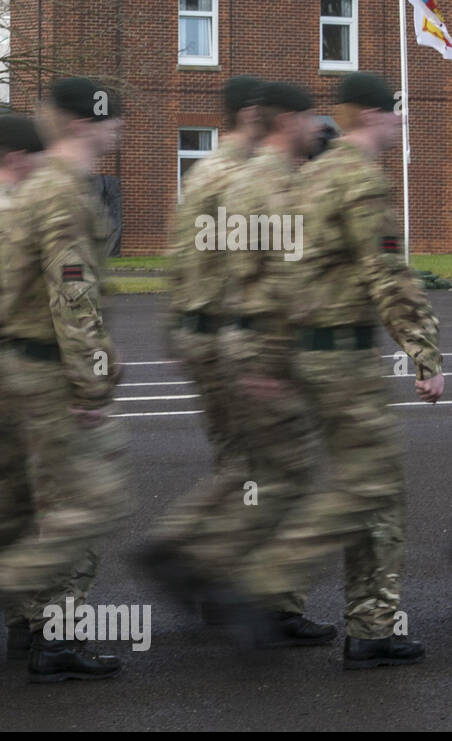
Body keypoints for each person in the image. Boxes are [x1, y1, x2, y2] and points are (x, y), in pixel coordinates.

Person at [231, 72, 441, 667]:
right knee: (374, 490)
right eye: (397, 113)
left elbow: (273, 272)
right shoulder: (358, 179)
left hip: (296, 352)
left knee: (327, 484)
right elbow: (387, 274)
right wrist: (424, 353)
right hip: (339, 358)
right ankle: (364, 622)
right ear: (375, 116)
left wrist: (267, 355)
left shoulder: (310, 175)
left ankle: (305, 605)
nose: (402, 122)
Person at [141, 78, 333, 645]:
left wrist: (182, 330)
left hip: (210, 334)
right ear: (255, 114)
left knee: (240, 468)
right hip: (241, 337)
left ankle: (220, 586)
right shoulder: (248, 177)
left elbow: (181, 263)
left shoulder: (205, 172)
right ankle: (259, 596)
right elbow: (256, 270)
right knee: (272, 470)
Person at [0, 78, 128, 683]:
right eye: (112, 120)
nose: (120, 129)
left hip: (24, 361)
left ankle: (31, 624)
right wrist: (91, 382)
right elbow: (73, 294)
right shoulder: (64, 191)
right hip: (50, 371)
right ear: (84, 124)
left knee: (41, 502)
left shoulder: (35, 188)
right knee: (86, 502)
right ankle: (49, 630)